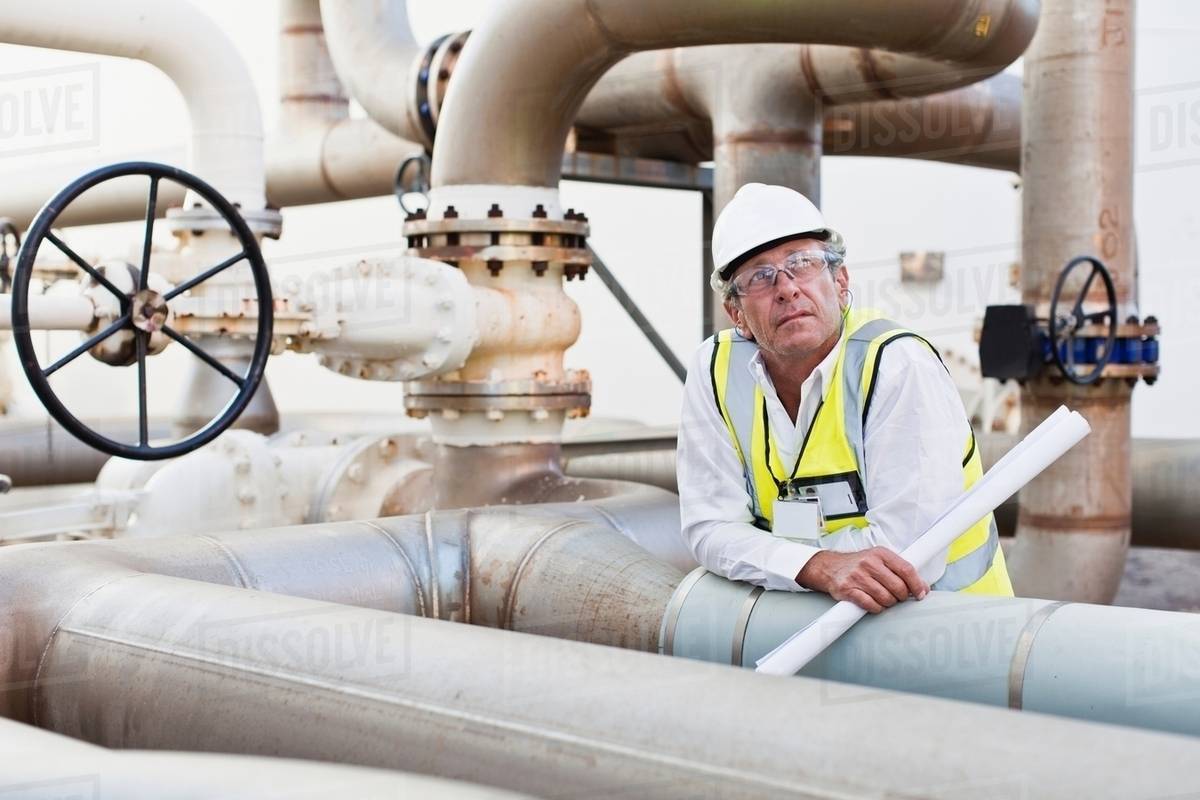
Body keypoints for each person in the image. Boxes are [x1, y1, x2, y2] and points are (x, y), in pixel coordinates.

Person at [677, 183, 1013, 613]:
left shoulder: (895, 364)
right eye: (760, 277)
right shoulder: (714, 371)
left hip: (953, 640)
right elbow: (709, 529)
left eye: (802, 264)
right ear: (736, 314)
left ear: (840, 282)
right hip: (807, 641)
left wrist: (770, 555)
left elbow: (912, 558)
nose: (787, 288)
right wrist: (819, 565)